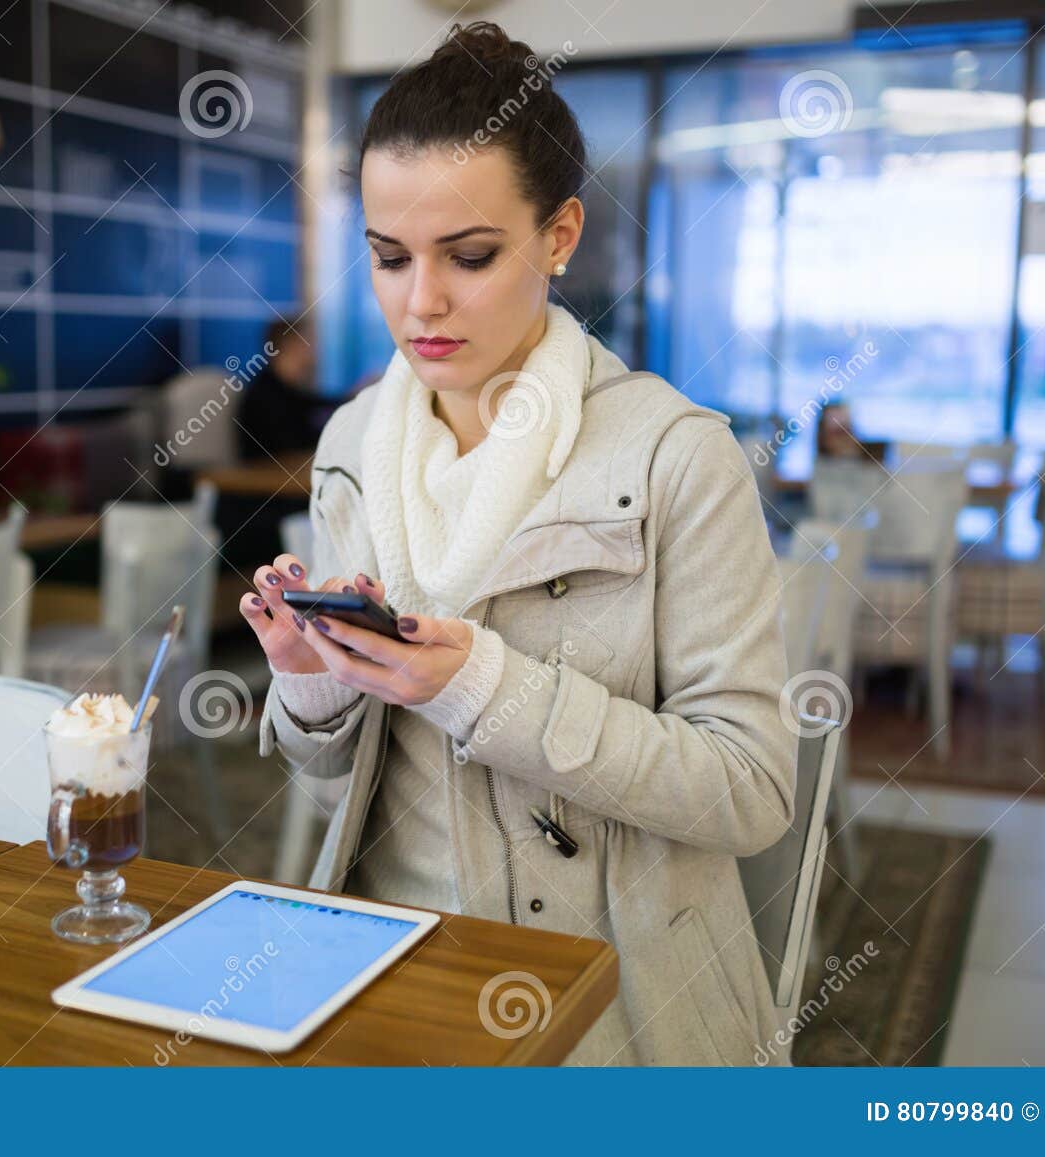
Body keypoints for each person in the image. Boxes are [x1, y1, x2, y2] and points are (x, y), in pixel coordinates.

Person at [240, 22, 795, 1067]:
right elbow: (330, 773)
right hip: (384, 962)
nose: (422, 301)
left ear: (559, 234)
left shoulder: (676, 456)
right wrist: (310, 678)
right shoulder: (353, 441)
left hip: (606, 990)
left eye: (471, 255)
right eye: (388, 258)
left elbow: (750, 790)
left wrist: (487, 689)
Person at [235, 317, 332, 462]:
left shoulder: (289, 391)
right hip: (267, 473)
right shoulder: (264, 396)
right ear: (293, 345)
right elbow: (291, 447)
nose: (316, 349)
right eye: (310, 341)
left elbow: (318, 404)